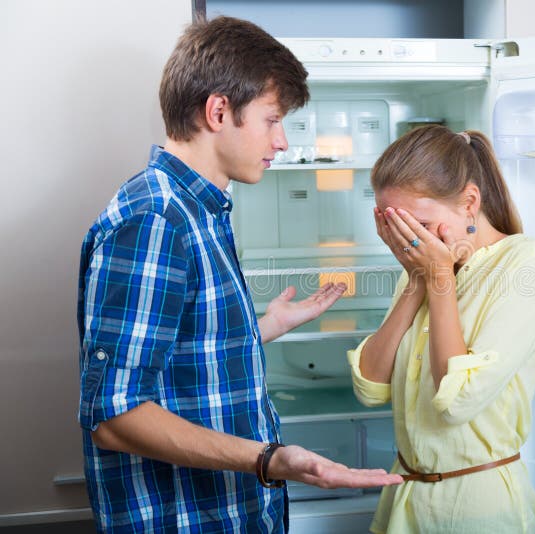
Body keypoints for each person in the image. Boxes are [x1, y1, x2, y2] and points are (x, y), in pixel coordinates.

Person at [77, 16, 401, 533]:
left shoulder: (201, 210)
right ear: (218, 111)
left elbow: (180, 354)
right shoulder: (155, 219)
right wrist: (267, 459)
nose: (282, 142)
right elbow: (115, 417)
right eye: (272, 120)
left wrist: (262, 326)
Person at [347, 125, 535, 533]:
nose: (409, 241)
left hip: (477, 509)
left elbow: (457, 401)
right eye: (397, 227)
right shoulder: (422, 265)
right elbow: (370, 386)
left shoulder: (525, 264)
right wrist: (417, 281)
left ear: (469, 203)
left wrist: (439, 278)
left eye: (420, 225)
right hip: (404, 504)